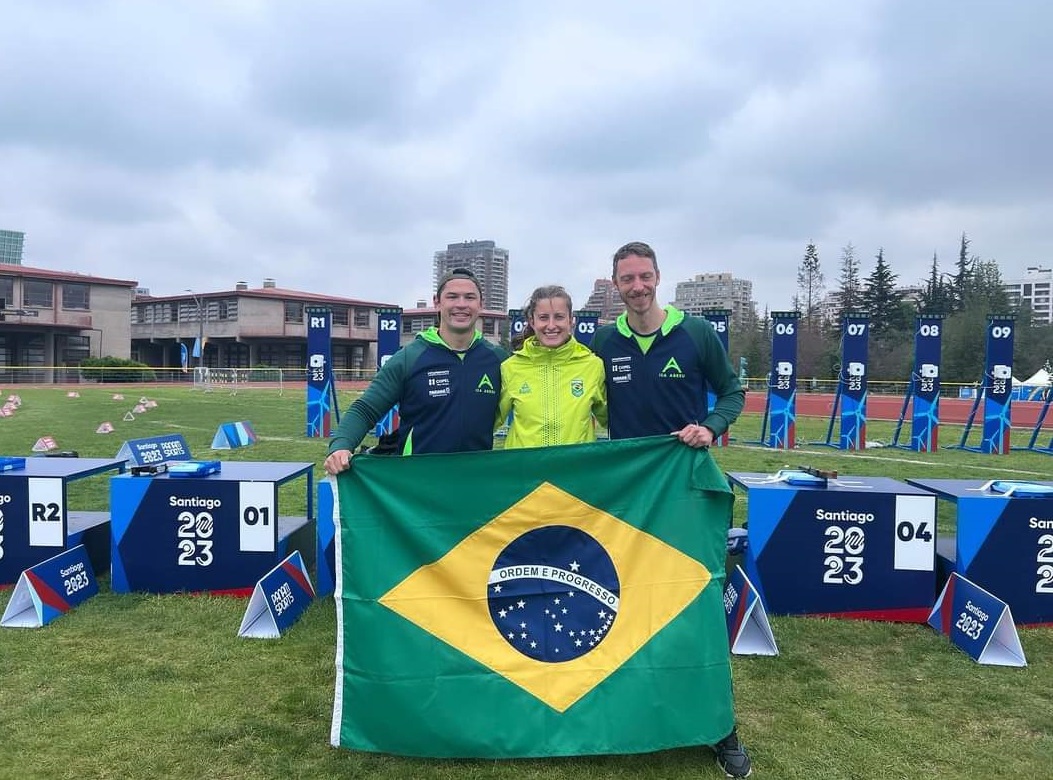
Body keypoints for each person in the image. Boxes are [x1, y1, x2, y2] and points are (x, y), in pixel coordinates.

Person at [590, 241, 751, 778]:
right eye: (626, 279)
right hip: (628, 495)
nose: (636, 286)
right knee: (627, 600)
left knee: (696, 601)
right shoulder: (605, 342)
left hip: (684, 489)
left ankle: (721, 727)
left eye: (643, 276)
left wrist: (711, 427)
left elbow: (732, 393)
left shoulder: (696, 333)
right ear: (615, 285)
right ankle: (627, 711)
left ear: (657, 277)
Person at [324, 267, 507, 474]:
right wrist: (341, 445)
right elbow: (366, 409)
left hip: (476, 479)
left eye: (469, 297)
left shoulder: (497, 359)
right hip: (417, 484)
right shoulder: (410, 357)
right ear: (437, 302)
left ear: (480, 304)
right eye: (452, 297)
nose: (461, 304)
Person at [498, 285, 606, 449]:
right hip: (525, 472)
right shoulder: (511, 368)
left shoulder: (593, 366)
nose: (551, 325)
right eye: (543, 317)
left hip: (575, 472)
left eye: (559, 317)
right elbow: (484, 424)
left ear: (571, 320)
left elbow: (615, 420)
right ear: (532, 322)